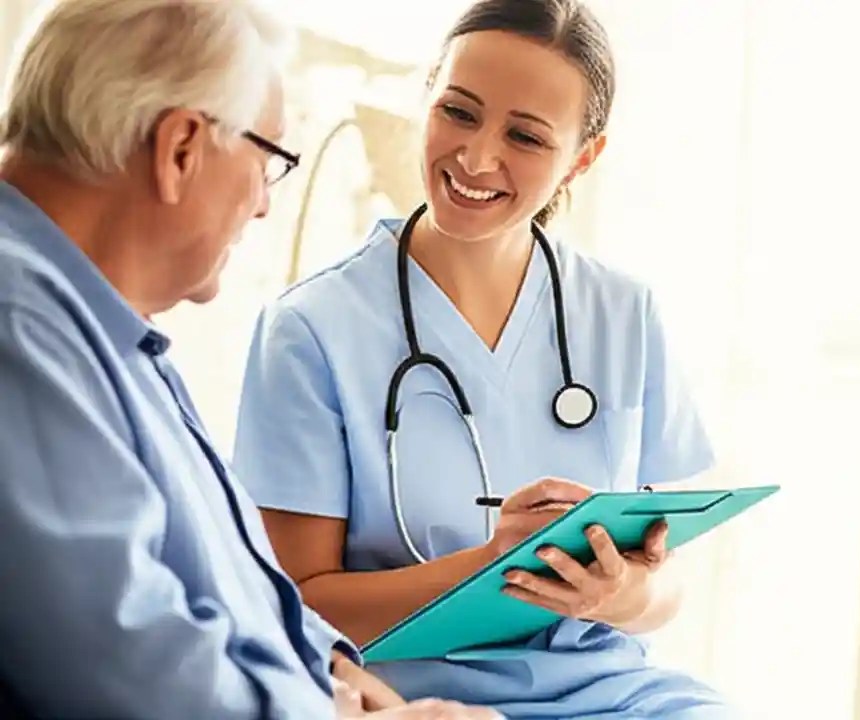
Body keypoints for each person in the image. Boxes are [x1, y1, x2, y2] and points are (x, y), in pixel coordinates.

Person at [231, 0, 735, 718]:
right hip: (407, 698)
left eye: (525, 136)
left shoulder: (624, 313)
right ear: (427, 98)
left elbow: (666, 584)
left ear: (582, 159)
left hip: (611, 691)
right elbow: (296, 603)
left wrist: (622, 593)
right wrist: (493, 568)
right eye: (459, 113)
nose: (474, 158)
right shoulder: (312, 330)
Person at [0, 1, 501, 717]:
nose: (265, 205)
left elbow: (237, 584)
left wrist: (343, 680)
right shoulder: (18, 327)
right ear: (181, 149)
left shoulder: (108, 336)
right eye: (269, 160)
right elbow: (124, 669)